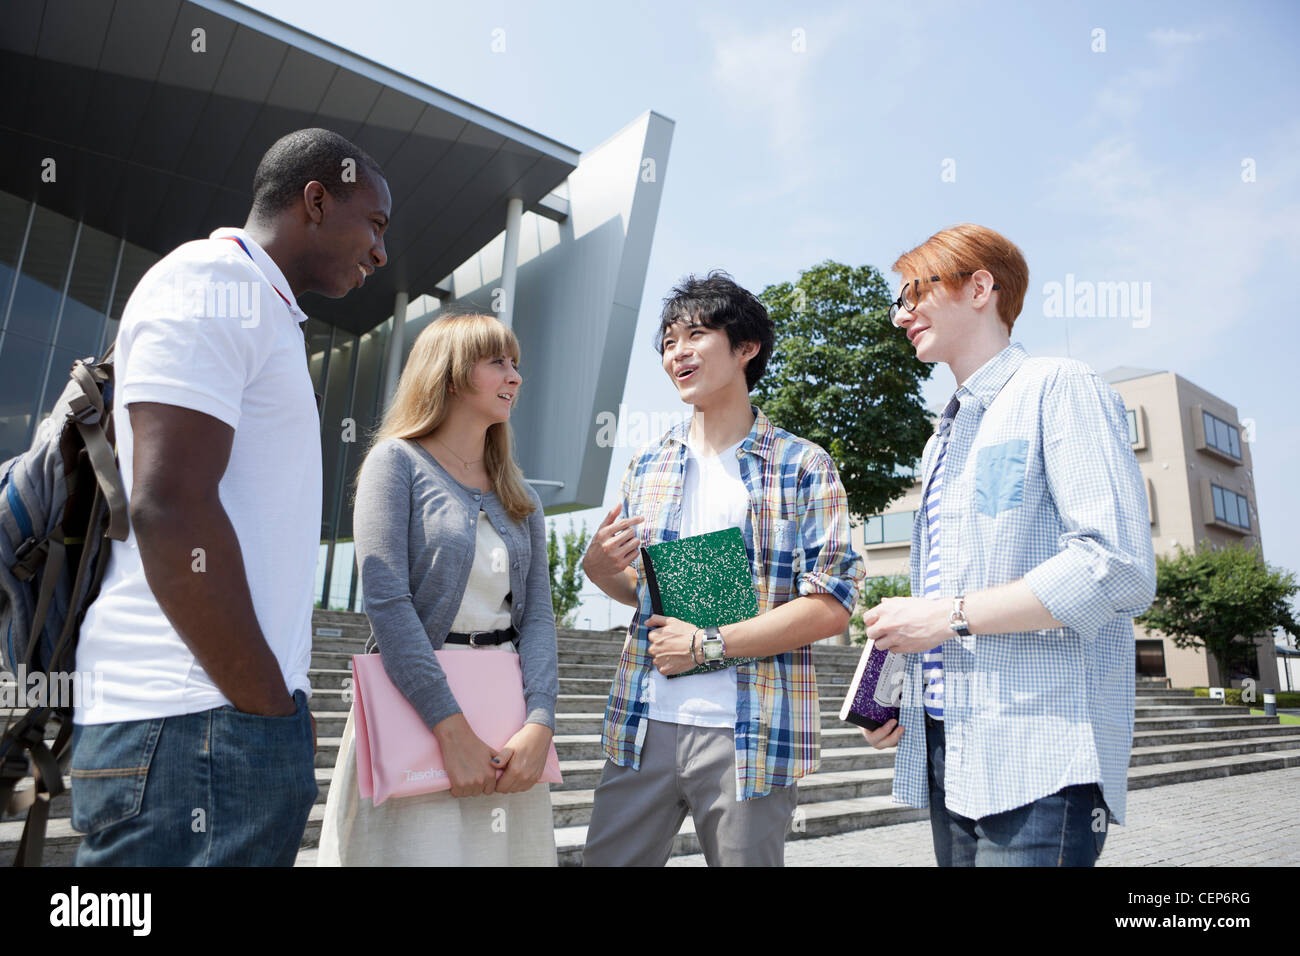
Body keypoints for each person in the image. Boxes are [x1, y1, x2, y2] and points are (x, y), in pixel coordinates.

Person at [70, 128, 391, 865]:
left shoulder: (264, 307)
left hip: (216, 724)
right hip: (191, 726)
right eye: (374, 224)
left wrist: (283, 701)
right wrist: (266, 708)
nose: (380, 253)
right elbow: (169, 505)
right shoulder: (215, 282)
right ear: (315, 199)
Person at [861, 223, 1156, 866]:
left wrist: (944, 616)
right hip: (947, 745)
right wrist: (909, 685)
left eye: (914, 292)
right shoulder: (942, 437)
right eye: (899, 302)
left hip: (1039, 755)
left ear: (979, 288)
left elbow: (1117, 564)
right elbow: (954, 590)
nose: (901, 314)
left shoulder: (1059, 386)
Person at [581, 271, 865, 867]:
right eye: (666, 341)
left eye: (695, 334)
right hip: (642, 721)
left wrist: (707, 645)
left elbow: (832, 602)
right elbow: (649, 598)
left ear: (745, 348)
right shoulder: (649, 465)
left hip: (749, 734)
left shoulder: (801, 465)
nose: (676, 351)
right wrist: (596, 568)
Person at [317, 312, 559, 866]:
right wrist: (450, 729)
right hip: (417, 711)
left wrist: (540, 720)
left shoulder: (521, 497)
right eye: (497, 361)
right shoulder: (395, 462)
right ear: (449, 376)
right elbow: (386, 602)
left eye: (516, 364)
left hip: (508, 723)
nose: (515, 376)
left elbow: (539, 618)